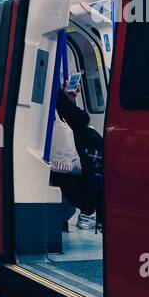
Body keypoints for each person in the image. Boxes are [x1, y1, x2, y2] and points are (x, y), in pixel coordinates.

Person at [51, 87, 104, 231]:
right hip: (67, 153)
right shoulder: (53, 91)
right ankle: (89, 211)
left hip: (61, 153)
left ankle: (90, 211)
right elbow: (81, 119)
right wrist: (66, 98)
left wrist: (68, 98)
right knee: (99, 161)